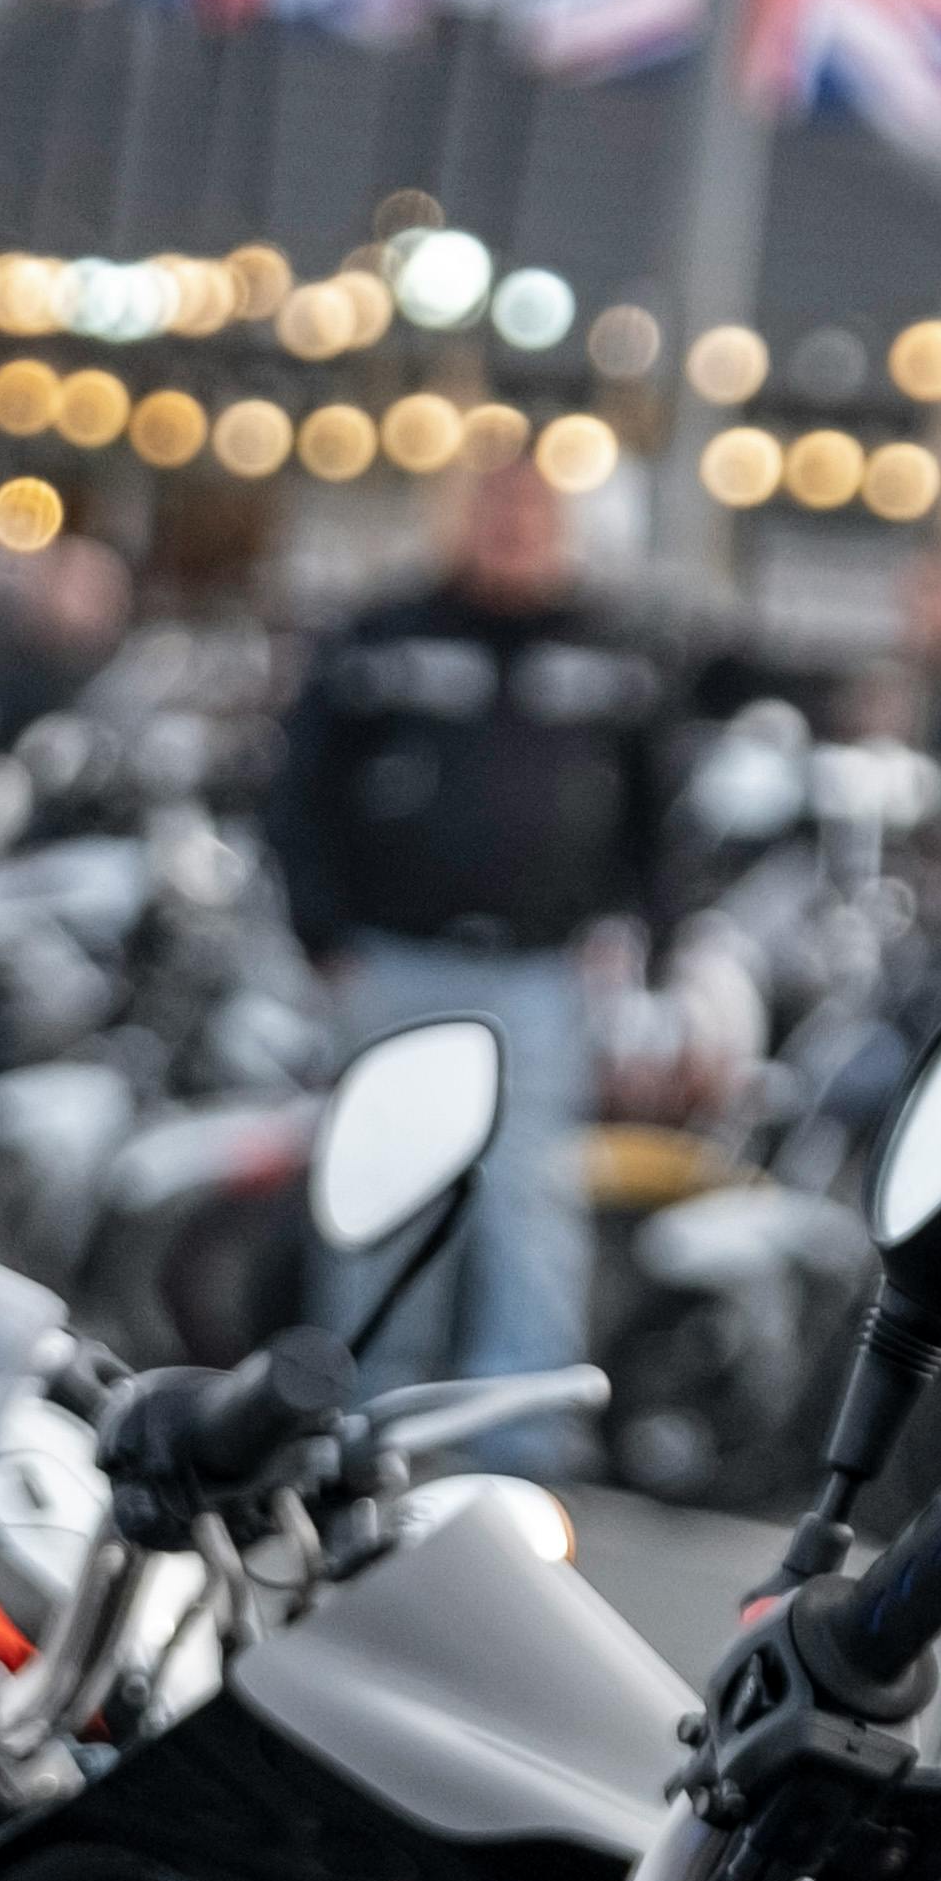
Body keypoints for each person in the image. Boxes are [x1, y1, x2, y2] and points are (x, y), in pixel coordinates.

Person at [260, 446, 685, 1383]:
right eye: (494, 507)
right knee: (385, 1198)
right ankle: (363, 1423)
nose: (512, 529)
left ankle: (520, 1445)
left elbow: (659, 816)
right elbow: (298, 793)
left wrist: (644, 941)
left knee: (528, 1214)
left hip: (538, 978)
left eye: (532, 511)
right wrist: (321, 935)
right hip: (393, 965)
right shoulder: (381, 636)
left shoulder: (610, 651)